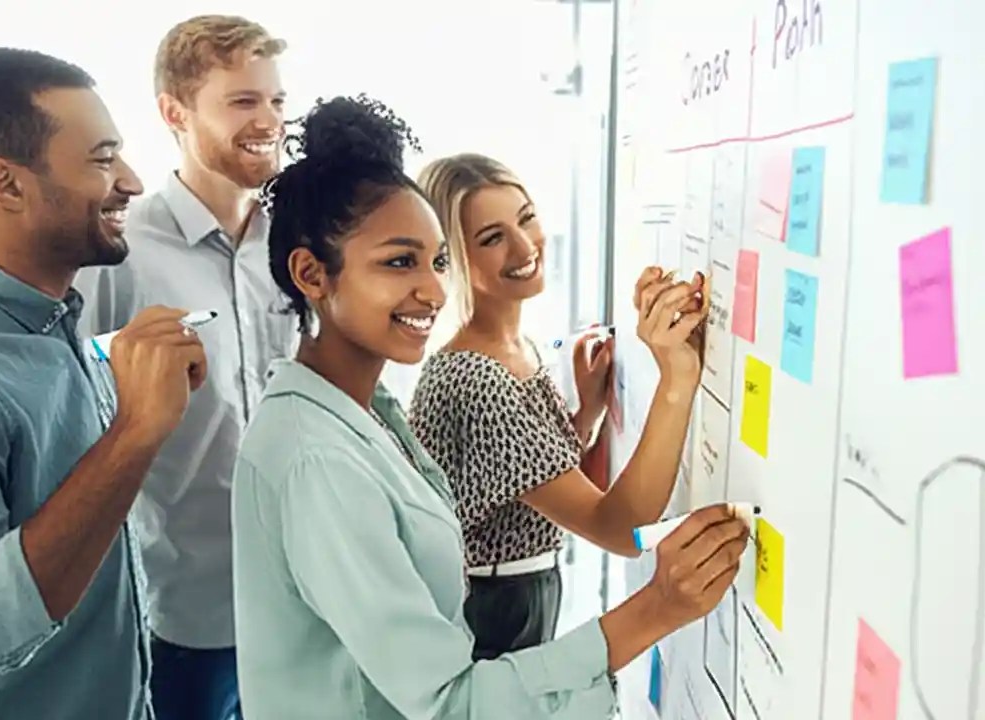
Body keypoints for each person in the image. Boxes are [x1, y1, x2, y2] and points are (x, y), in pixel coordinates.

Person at [230, 94, 749, 719]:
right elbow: (449, 702)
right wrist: (659, 604)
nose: (430, 288)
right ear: (312, 275)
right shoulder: (319, 458)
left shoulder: (365, 413)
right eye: (399, 262)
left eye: (436, 260)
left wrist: (580, 421)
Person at [0, 48, 207, 719]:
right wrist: (134, 435)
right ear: (7, 185)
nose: (133, 182)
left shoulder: (61, 336)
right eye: (103, 160)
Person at [74, 15, 290, 719]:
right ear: (174, 112)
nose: (268, 121)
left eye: (276, 101)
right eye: (243, 102)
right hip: (188, 618)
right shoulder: (120, 251)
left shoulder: (293, 246)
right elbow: (79, 414)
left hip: (305, 602)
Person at [410, 153, 706, 659]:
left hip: (513, 598)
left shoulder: (516, 348)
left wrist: (584, 418)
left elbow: (519, 486)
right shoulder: (475, 379)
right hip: (489, 614)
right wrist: (677, 380)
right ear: (449, 258)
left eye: (525, 218)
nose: (525, 246)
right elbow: (623, 528)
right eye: (492, 238)